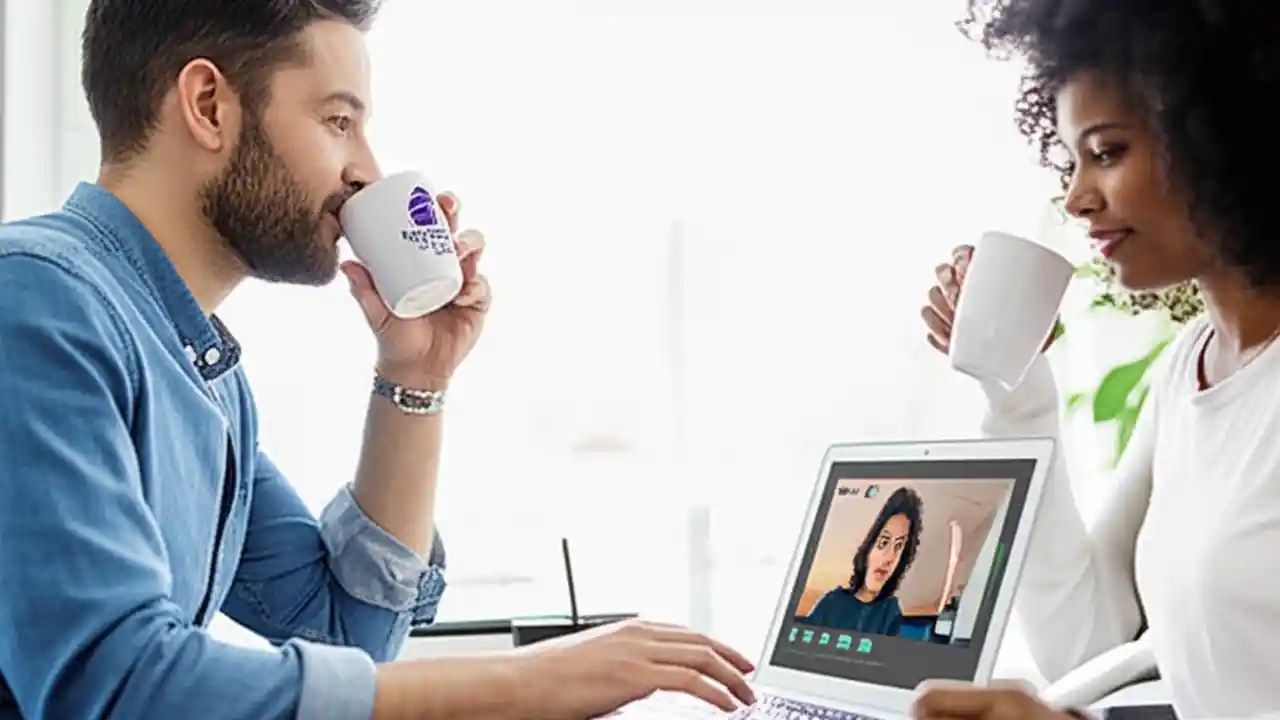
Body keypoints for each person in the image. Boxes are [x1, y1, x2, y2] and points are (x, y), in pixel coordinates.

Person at [0, 2, 754, 719]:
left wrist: (415, 376)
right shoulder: (37, 302)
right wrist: (531, 684)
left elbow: (345, 634)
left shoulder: (199, 371)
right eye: (338, 122)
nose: (365, 169)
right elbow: (112, 688)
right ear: (208, 105)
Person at [914, 1, 1280, 718]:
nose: (1077, 197)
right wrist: (1012, 388)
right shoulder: (1191, 368)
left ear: (1229, 137)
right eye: (1072, 159)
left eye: (1107, 152)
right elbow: (1085, 640)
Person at [805, 488, 924, 636]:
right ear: (869, 546)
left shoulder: (891, 611)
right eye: (883, 542)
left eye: (899, 547)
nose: (889, 558)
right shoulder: (831, 603)